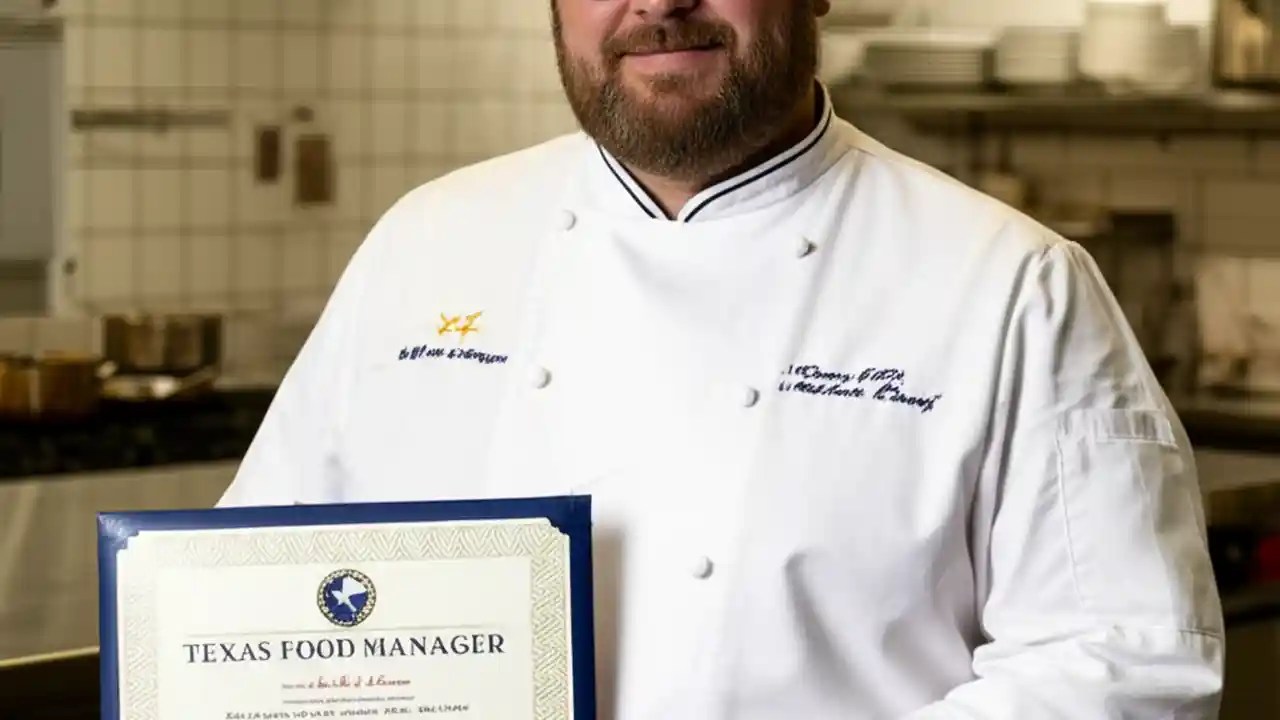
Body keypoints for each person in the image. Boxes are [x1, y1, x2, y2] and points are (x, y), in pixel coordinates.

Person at [219, 0, 1225, 716]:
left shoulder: (1012, 283)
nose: (660, 5)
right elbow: (250, 583)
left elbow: (1121, 661)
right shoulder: (426, 239)